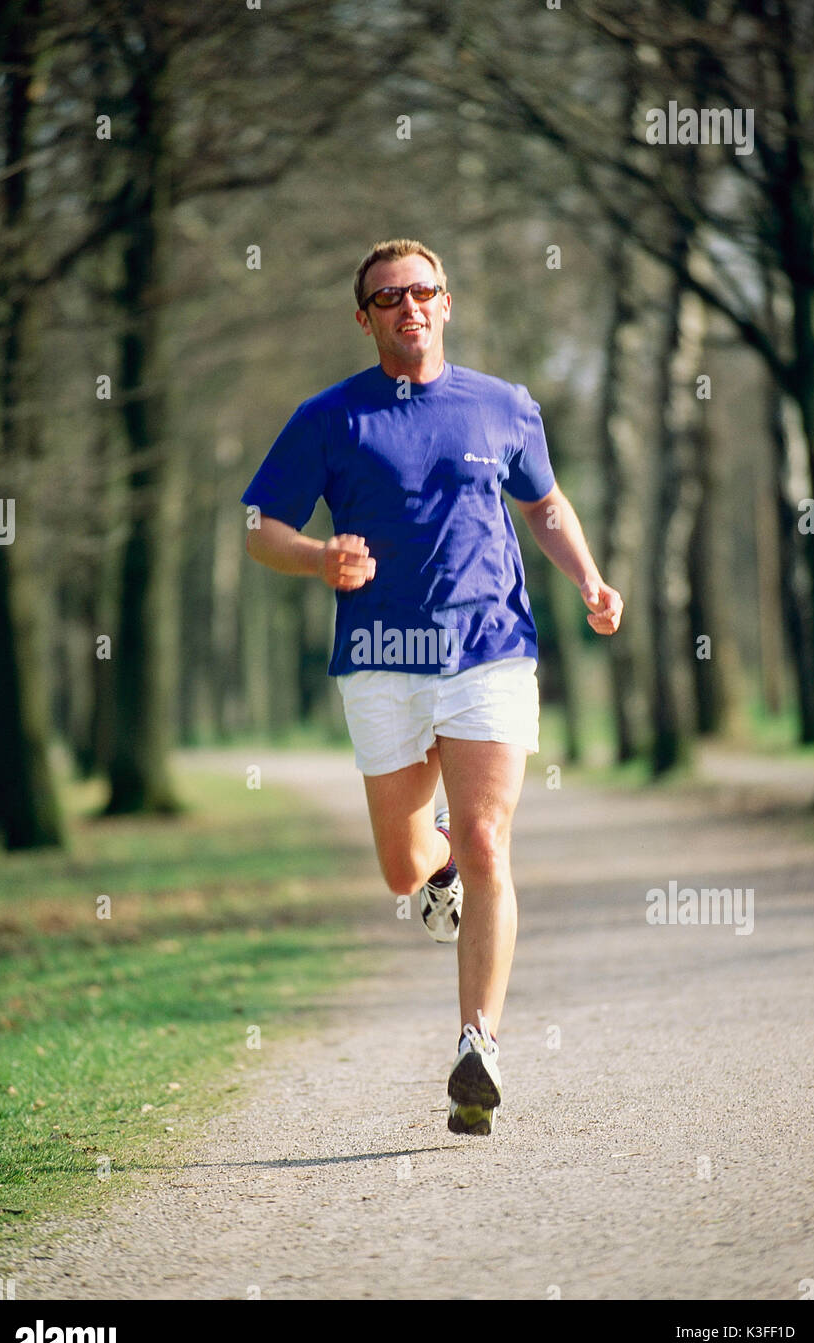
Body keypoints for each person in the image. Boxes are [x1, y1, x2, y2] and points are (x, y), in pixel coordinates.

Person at [242, 238, 623, 1135]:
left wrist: (589, 580)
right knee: (404, 868)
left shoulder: (504, 407)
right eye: (387, 298)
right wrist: (317, 557)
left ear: (447, 302)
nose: (408, 307)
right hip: (379, 659)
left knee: (490, 843)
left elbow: (544, 504)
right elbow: (260, 527)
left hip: (489, 650)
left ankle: (477, 1046)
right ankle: (435, 859)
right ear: (366, 316)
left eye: (422, 292)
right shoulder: (330, 417)